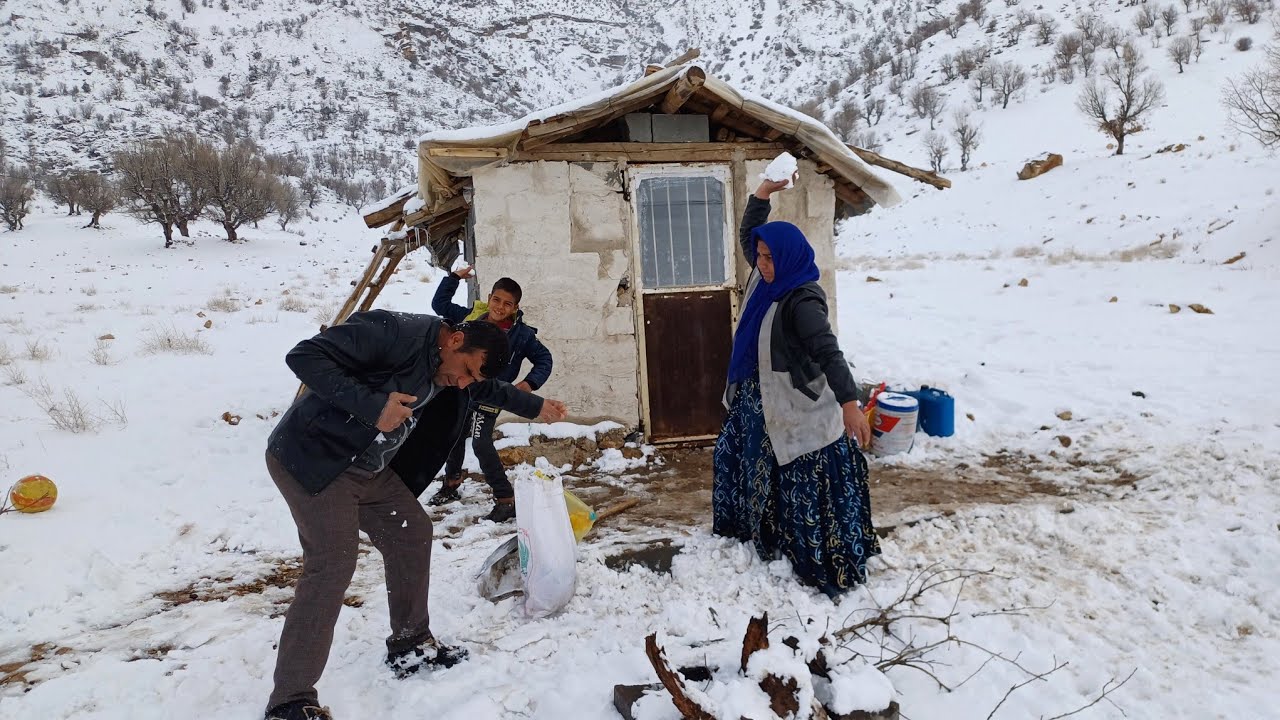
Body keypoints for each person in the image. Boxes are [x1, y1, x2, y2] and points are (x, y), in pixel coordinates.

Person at [263, 310, 568, 720]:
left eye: (470, 380)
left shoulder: (454, 368)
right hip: (315, 459)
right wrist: (373, 406)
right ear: (456, 340)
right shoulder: (395, 332)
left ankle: (410, 644)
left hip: (366, 469)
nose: (462, 383)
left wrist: (536, 406)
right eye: (465, 371)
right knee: (332, 563)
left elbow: (488, 387)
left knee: (412, 533)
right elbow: (304, 356)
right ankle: (289, 701)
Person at [712, 176, 881, 597]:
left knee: (799, 479)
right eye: (761, 256)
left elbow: (827, 351)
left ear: (788, 258)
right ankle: (762, 539)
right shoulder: (765, 283)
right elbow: (750, 235)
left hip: (795, 404)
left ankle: (815, 563)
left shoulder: (800, 299)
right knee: (746, 465)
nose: (762, 263)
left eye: (770, 258)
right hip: (758, 398)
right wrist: (764, 193)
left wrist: (849, 402)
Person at [428, 267, 553, 522]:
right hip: (463, 388)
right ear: (489, 297)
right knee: (453, 434)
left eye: (507, 304)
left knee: (480, 442)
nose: (500, 307)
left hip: (491, 395)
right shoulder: (472, 317)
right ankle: (451, 484)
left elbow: (544, 359)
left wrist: (529, 384)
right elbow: (439, 304)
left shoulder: (522, 335)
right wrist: (453, 279)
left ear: (515, 307)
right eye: (496, 299)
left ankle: (505, 499)